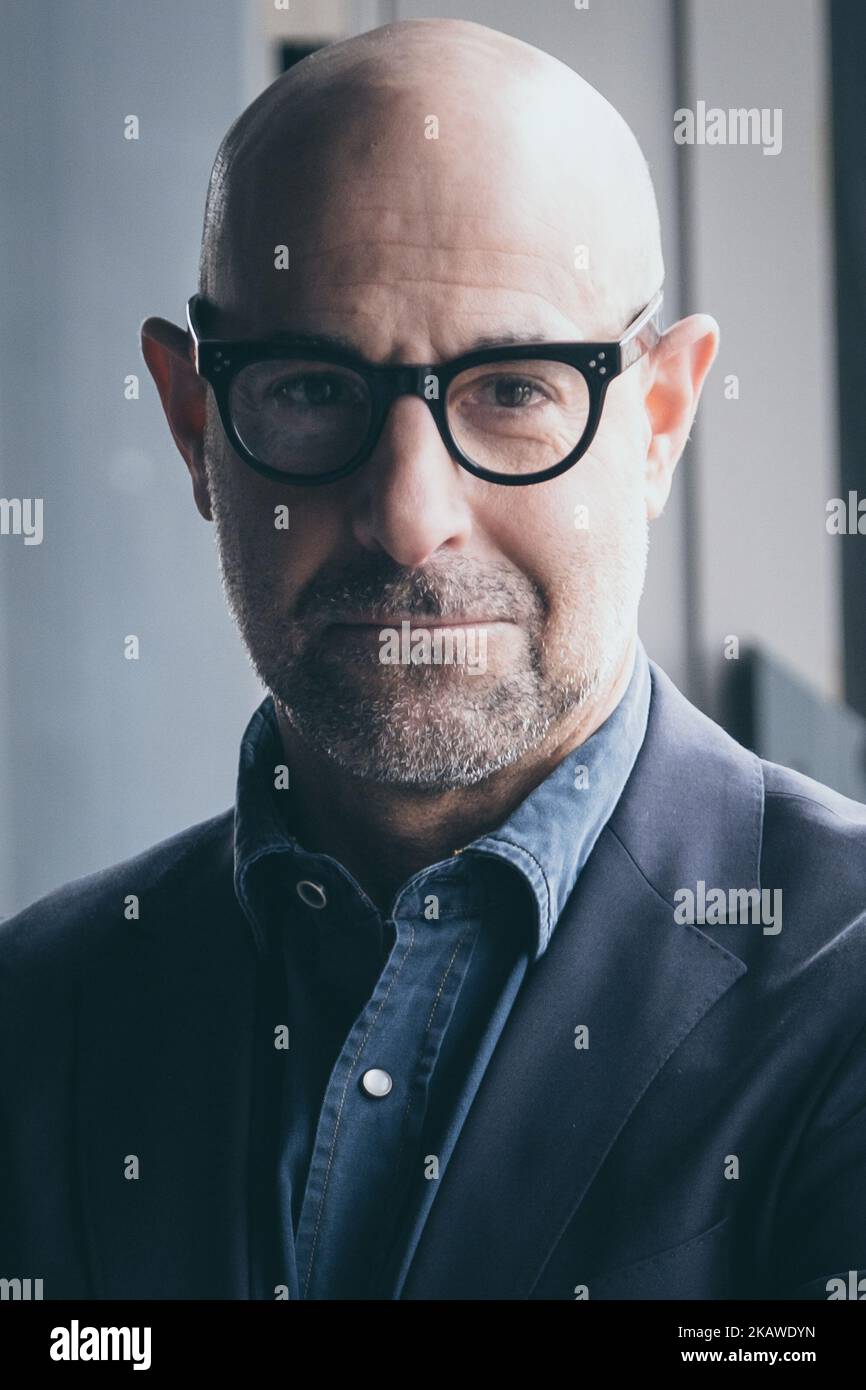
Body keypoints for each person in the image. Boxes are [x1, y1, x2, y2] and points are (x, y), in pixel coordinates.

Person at [2, 17, 865, 1302]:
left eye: (513, 389)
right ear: (194, 423)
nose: (409, 514)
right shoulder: (36, 1017)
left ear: (658, 422)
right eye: (309, 387)